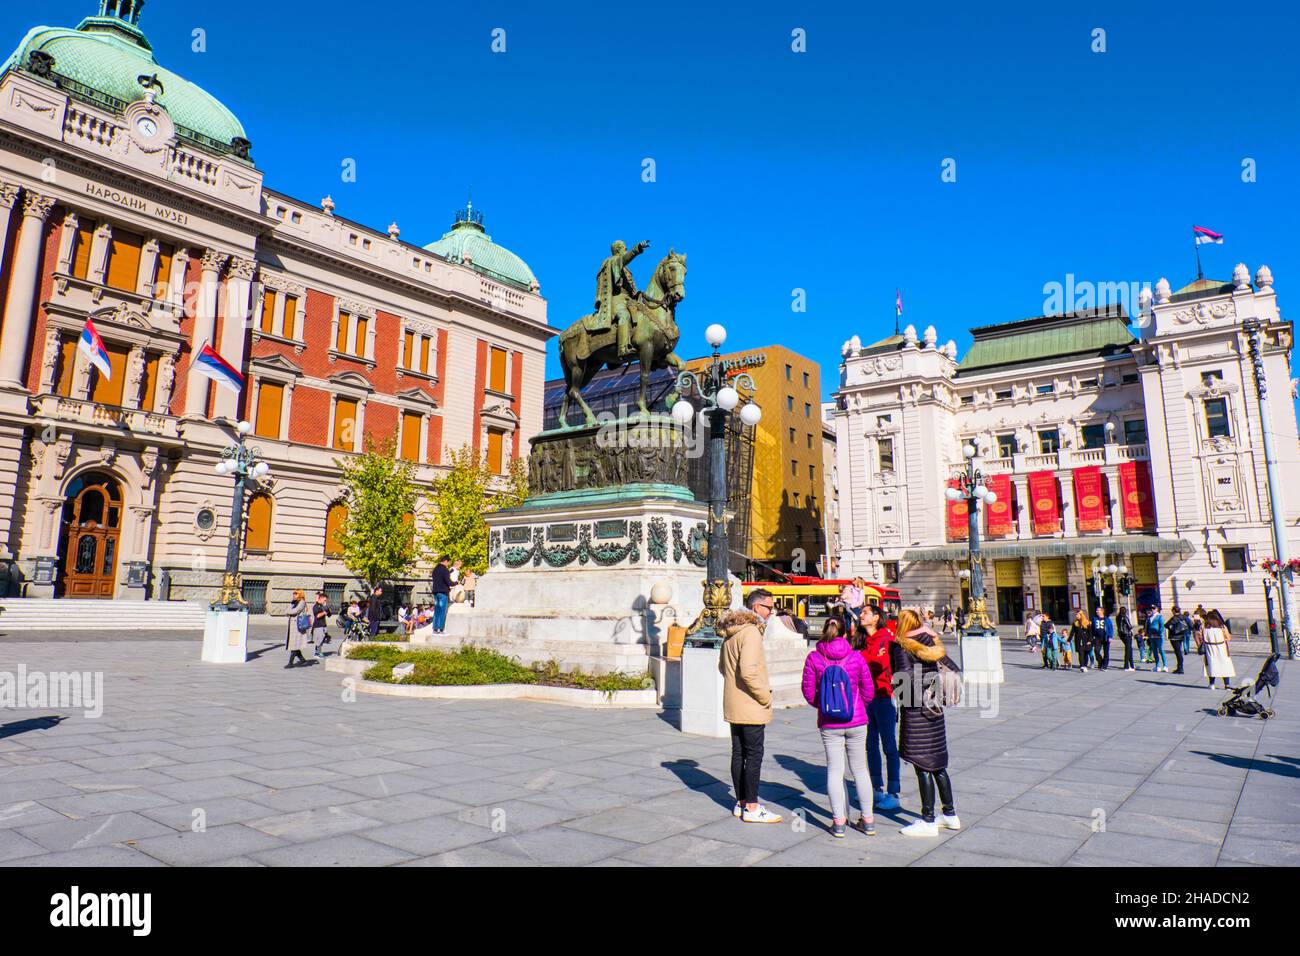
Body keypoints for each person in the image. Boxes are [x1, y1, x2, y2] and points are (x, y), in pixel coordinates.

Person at [801, 617, 876, 838]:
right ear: (845, 633)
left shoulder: (814, 657)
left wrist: (825, 706)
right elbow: (868, 690)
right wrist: (858, 705)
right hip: (857, 720)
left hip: (829, 723)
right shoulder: (856, 656)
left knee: (835, 770)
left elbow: (808, 692)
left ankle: (839, 822)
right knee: (860, 769)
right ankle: (868, 820)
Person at [892, 607, 960, 837]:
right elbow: (953, 668)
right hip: (935, 709)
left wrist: (898, 692)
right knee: (939, 765)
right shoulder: (931, 640)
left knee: (922, 766)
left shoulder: (902, 646)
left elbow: (904, 680)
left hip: (917, 710)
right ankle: (950, 815)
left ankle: (928, 819)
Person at [720, 589, 782, 824]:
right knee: (754, 755)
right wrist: (764, 695)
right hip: (751, 703)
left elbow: (722, 666)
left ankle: (741, 803)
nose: (771, 612)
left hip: (734, 702)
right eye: (769, 607)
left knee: (739, 753)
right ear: (756, 608)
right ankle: (753, 808)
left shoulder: (731, 632)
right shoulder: (752, 632)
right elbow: (748, 671)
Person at [857, 603, 901, 813]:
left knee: (889, 746)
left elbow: (882, 666)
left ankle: (893, 792)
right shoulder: (863, 640)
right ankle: (876, 788)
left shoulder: (887, 638)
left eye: (865, 612)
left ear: (876, 617)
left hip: (884, 696)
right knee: (870, 745)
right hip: (866, 699)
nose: (860, 615)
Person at [1199, 609, 1236, 689]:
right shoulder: (1222, 627)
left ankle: (1212, 684)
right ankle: (1227, 684)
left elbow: (1200, 637)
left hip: (1210, 648)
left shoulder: (1204, 626)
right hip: (1222, 648)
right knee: (1225, 665)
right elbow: (1228, 638)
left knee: (1212, 665)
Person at [285, 589, 310, 668]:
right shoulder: (293, 602)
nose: (294, 595)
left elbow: (295, 611)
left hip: (298, 626)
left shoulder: (302, 602)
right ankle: (302, 659)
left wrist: (289, 611)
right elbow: (287, 610)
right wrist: (289, 611)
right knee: (294, 644)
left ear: (300, 594)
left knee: (294, 644)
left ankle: (290, 663)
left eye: (296, 594)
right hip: (292, 625)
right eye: (294, 594)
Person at [1165, 606, 1191, 675]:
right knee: (1179, 651)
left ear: (1173, 611)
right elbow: (1191, 625)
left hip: (1174, 637)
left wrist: (1172, 628)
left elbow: (1166, 625)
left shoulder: (1174, 618)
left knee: (1178, 652)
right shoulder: (1184, 617)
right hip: (1182, 636)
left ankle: (1180, 668)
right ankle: (1180, 667)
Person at [430, 556, 453, 633]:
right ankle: (441, 628)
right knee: (443, 610)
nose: (448, 564)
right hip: (443, 592)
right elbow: (449, 582)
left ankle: (435, 628)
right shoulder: (445, 570)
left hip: (436, 592)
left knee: (437, 610)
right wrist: (456, 583)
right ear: (446, 561)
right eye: (448, 562)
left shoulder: (435, 569)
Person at [1090, 605, 1114, 671]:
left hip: (1105, 637)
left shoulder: (1107, 619)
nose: (1096, 611)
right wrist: (1091, 636)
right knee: (1096, 651)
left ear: (1102, 611)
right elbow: (1091, 628)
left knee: (1106, 652)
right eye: (1096, 610)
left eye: (1098, 610)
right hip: (1097, 637)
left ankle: (1105, 666)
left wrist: (1110, 636)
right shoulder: (1094, 619)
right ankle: (1100, 662)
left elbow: (1111, 628)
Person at [1146, 607, 1167, 672]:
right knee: (1154, 651)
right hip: (1151, 636)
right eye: (1151, 609)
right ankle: (1157, 666)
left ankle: (1165, 666)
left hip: (1158, 636)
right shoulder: (1149, 617)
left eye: (1153, 608)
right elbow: (1148, 627)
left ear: (1156, 609)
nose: (1152, 610)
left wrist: (1159, 633)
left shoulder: (1159, 617)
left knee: (1161, 650)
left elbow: (1161, 626)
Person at [1115, 606, 1135, 671]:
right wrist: (1132, 627)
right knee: (1128, 650)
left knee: (1129, 649)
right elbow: (1129, 626)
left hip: (1121, 635)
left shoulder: (1117, 617)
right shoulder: (1125, 617)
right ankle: (1126, 665)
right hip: (1127, 634)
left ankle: (1132, 665)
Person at [310, 591, 330, 656]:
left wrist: (328, 610)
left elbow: (329, 615)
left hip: (324, 624)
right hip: (318, 625)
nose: (325, 602)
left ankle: (318, 652)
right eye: (324, 600)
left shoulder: (323, 606)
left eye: (326, 600)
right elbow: (317, 616)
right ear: (320, 598)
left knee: (322, 639)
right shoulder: (316, 606)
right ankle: (318, 653)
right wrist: (324, 613)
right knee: (319, 640)